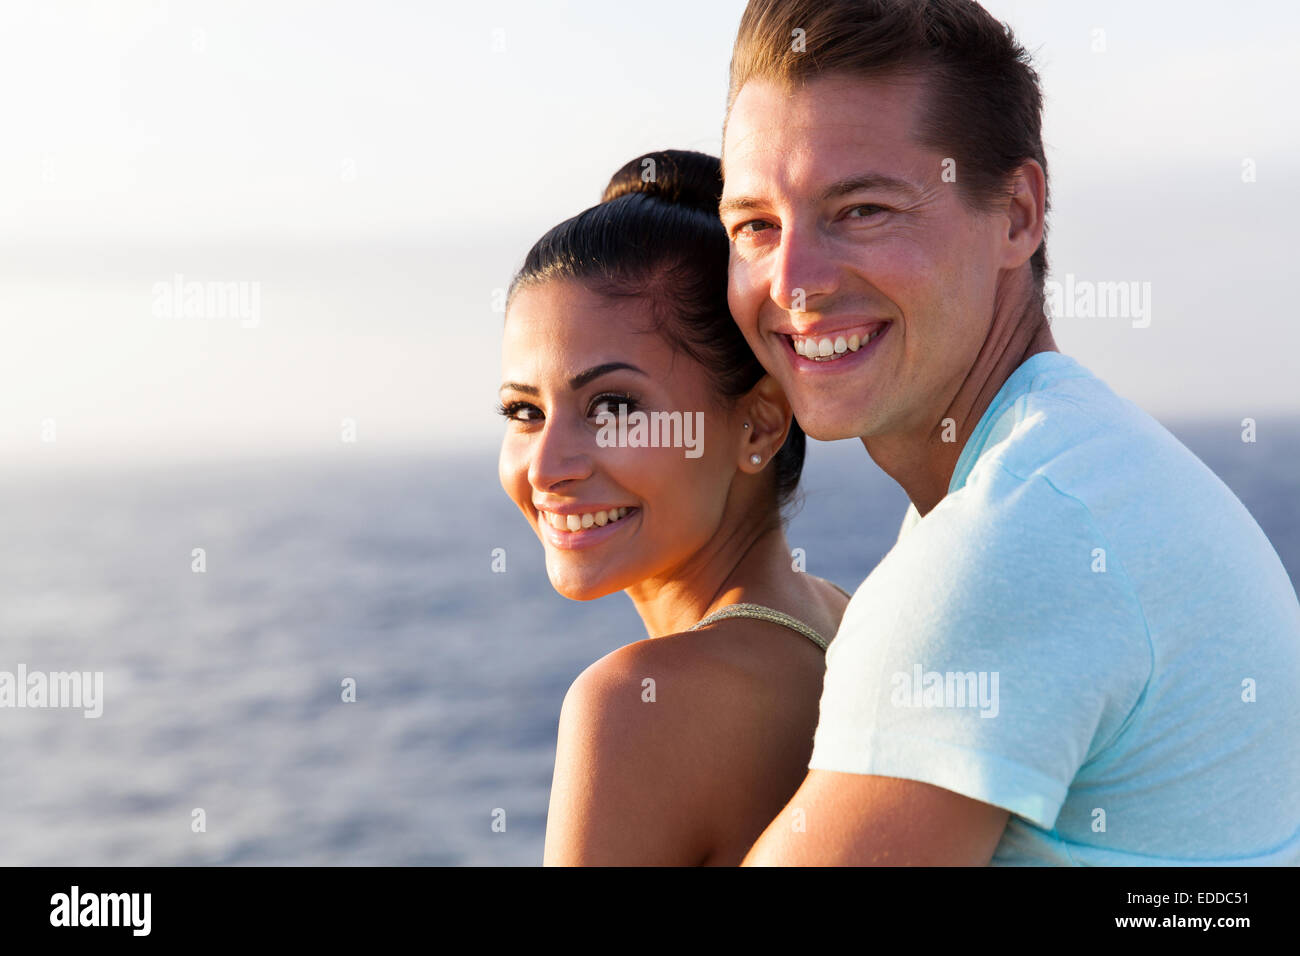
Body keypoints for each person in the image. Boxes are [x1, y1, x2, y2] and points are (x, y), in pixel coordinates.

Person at [718, 0, 1300, 865]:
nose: (794, 282)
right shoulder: (1077, 470)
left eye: (863, 209)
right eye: (756, 226)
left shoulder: (1014, 542)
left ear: (1019, 215)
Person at [497, 149, 850, 865]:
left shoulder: (633, 708)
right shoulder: (845, 622)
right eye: (524, 410)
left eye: (614, 407)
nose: (549, 465)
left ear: (758, 424)